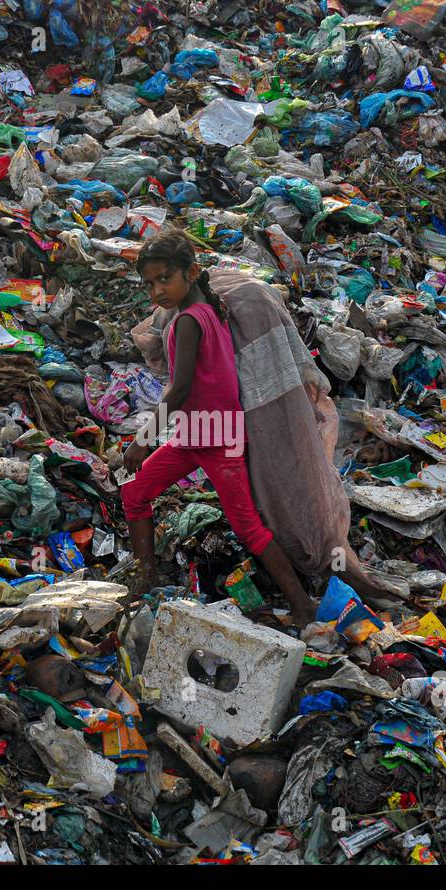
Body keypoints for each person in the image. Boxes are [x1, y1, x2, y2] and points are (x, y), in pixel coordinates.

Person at [121, 230, 317, 627]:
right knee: (134, 494)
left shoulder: (191, 321)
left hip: (215, 439)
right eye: (149, 283)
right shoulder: (205, 312)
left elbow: (178, 390)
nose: (157, 290)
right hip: (195, 435)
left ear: (191, 273)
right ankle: (144, 582)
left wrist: (142, 439)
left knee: (248, 526)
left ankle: (301, 605)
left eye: (164, 279)